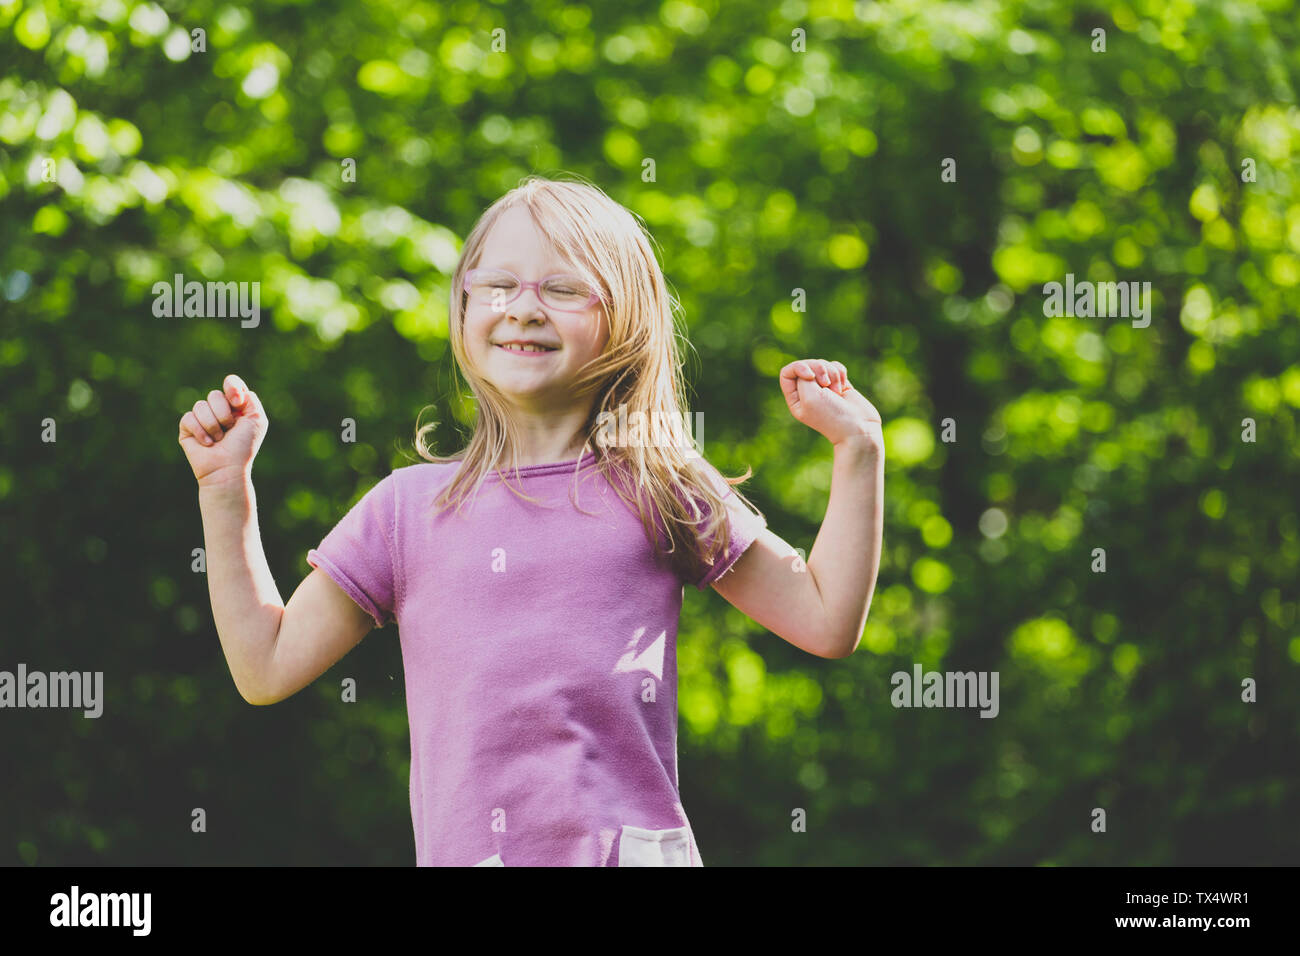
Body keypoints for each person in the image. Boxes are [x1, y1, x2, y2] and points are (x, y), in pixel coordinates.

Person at [176, 174, 885, 866]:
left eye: (564, 287)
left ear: (626, 320)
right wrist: (225, 492)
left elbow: (824, 620)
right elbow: (264, 666)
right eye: (497, 285)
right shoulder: (405, 510)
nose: (524, 308)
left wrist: (858, 452)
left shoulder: (659, 484)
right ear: (462, 309)